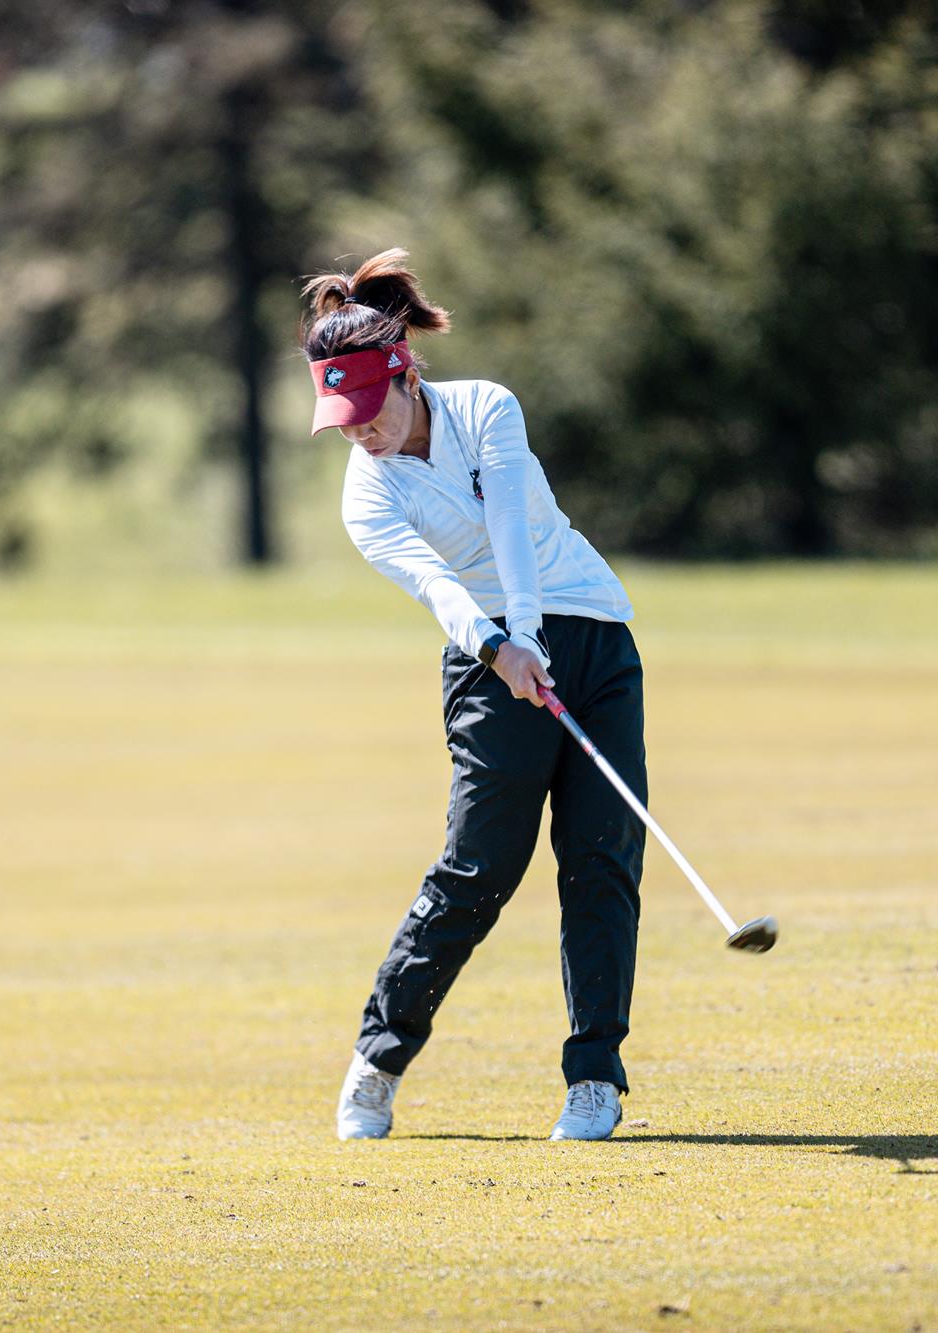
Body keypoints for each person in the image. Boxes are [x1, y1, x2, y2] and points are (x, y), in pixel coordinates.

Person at [300, 249, 646, 1143]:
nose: (357, 432)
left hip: (593, 633)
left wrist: (527, 628)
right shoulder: (366, 493)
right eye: (340, 418)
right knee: (480, 866)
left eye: (366, 410)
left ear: (404, 375)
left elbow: (511, 523)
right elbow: (438, 585)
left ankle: (595, 1078)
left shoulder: (487, 407)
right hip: (487, 656)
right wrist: (501, 646)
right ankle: (378, 1057)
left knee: (603, 861)